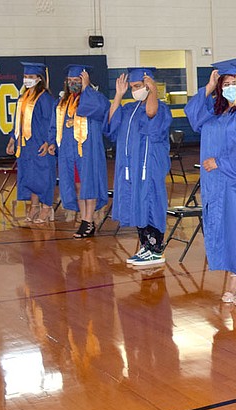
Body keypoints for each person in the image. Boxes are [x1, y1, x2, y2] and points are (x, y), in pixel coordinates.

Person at [184, 58, 236, 306]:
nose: (230, 87)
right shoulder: (218, 111)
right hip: (219, 181)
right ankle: (234, 274)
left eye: (234, 82)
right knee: (225, 228)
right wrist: (209, 88)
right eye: (226, 84)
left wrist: (219, 162)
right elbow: (194, 117)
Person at [105, 67, 173, 266]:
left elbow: (152, 114)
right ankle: (145, 246)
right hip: (132, 166)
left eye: (138, 86)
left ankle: (155, 249)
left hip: (149, 165)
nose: (135, 90)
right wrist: (118, 95)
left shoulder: (160, 108)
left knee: (151, 201)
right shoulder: (129, 109)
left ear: (148, 85)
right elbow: (111, 124)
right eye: (132, 87)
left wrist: (153, 91)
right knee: (137, 202)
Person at [55, 64, 110, 239]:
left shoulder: (96, 97)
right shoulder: (63, 102)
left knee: (89, 184)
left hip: (88, 151)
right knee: (78, 186)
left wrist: (86, 88)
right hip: (69, 152)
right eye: (70, 80)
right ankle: (84, 218)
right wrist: (51, 142)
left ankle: (88, 220)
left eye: (77, 80)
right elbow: (54, 124)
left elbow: (97, 109)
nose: (73, 83)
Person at [7, 62, 56, 224]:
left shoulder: (45, 98)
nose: (27, 79)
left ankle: (47, 208)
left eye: (30, 77)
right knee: (30, 176)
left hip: (40, 143)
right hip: (25, 145)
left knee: (43, 175)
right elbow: (17, 121)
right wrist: (12, 140)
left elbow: (51, 121)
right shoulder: (23, 97)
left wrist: (48, 141)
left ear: (39, 78)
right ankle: (34, 206)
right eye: (25, 76)